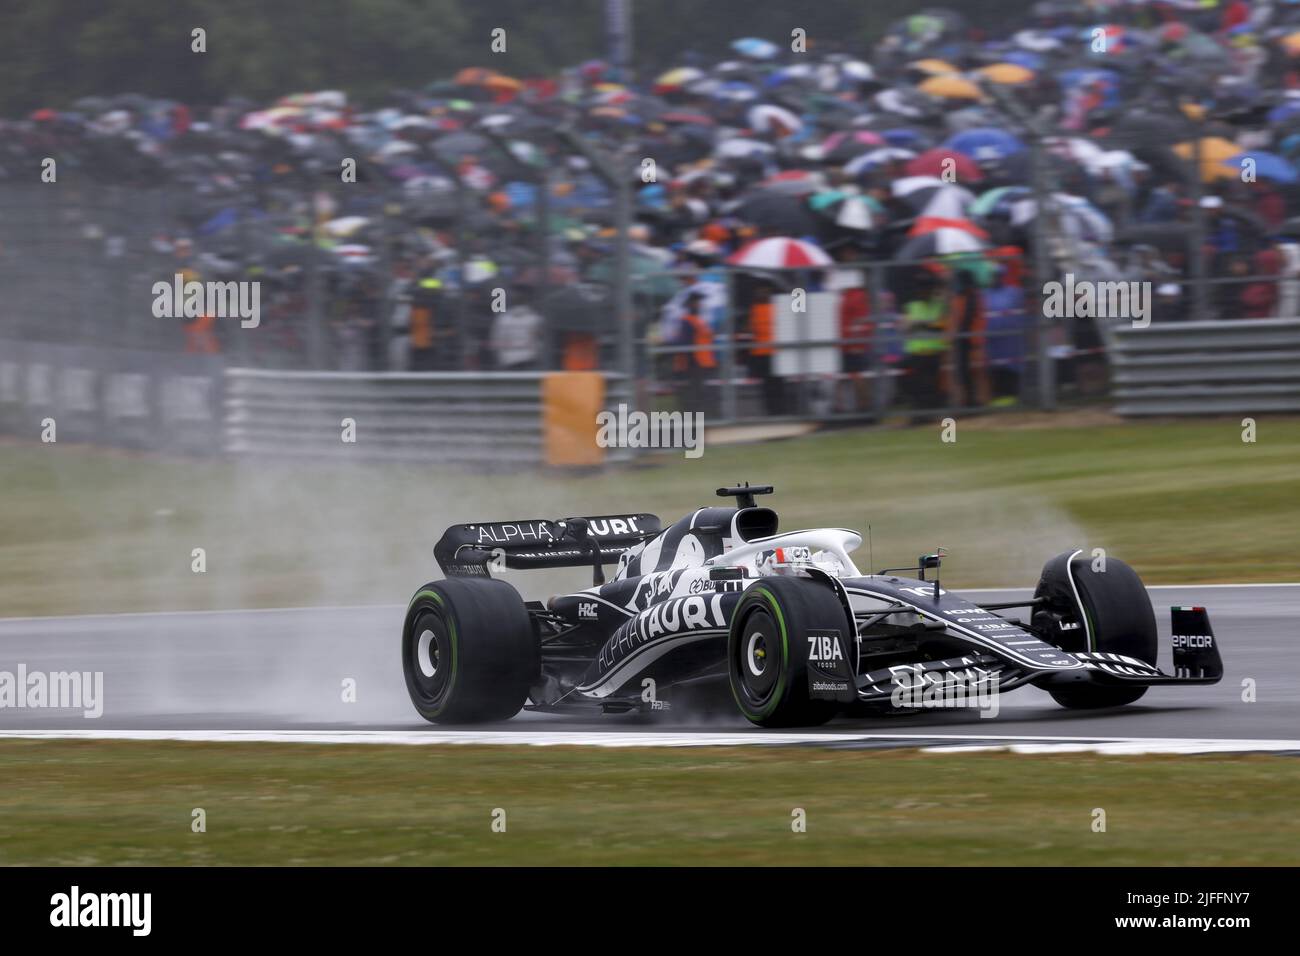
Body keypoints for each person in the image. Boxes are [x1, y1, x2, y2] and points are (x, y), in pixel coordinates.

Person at [898, 270, 950, 415]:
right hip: (917, 353)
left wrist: (942, 284)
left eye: (928, 287)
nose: (924, 291)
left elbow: (942, 324)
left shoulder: (939, 305)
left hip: (935, 352)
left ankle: (931, 411)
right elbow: (903, 328)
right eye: (922, 288)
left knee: (933, 385)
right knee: (914, 383)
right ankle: (920, 411)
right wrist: (913, 324)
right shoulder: (911, 306)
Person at [671, 290, 716, 409]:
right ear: (690, 304)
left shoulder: (700, 320)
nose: (699, 305)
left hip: (703, 363)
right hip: (695, 363)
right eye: (696, 302)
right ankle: (696, 422)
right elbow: (685, 344)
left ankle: (701, 420)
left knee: (701, 394)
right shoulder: (687, 321)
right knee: (695, 394)